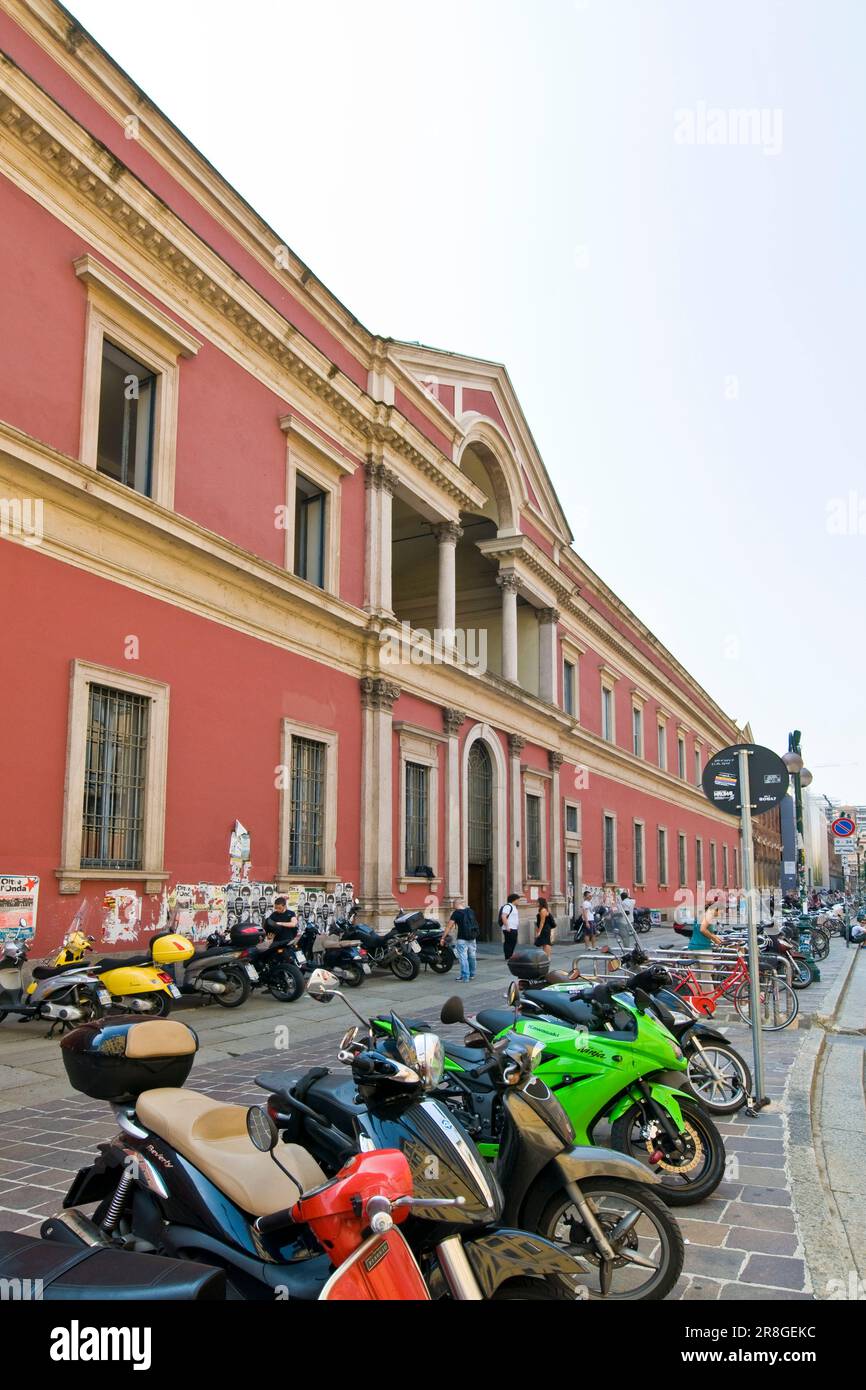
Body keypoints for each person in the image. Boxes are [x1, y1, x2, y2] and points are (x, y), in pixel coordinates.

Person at [443, 897, 480, 981]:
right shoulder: (470, 911)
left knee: (463, 957)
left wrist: (443, 936)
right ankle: (472, 974)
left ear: (456, 904)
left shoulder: (456, 913)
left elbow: (449, 926)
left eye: (453, 904)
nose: (453, 906)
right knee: (472, 956)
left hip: (462, 938)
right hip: (472, 937)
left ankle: (465, 977)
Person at [498, 893, 521, 960]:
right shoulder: (508, 906)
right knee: (509, 942)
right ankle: (508, 956)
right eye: (518, 900)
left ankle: (510, 954)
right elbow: (503, 916)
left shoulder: (514, 907)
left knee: (513, 941)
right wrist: (507, 927)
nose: (518, 901)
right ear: (514, 900)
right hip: (508, 928)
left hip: (514, 928)